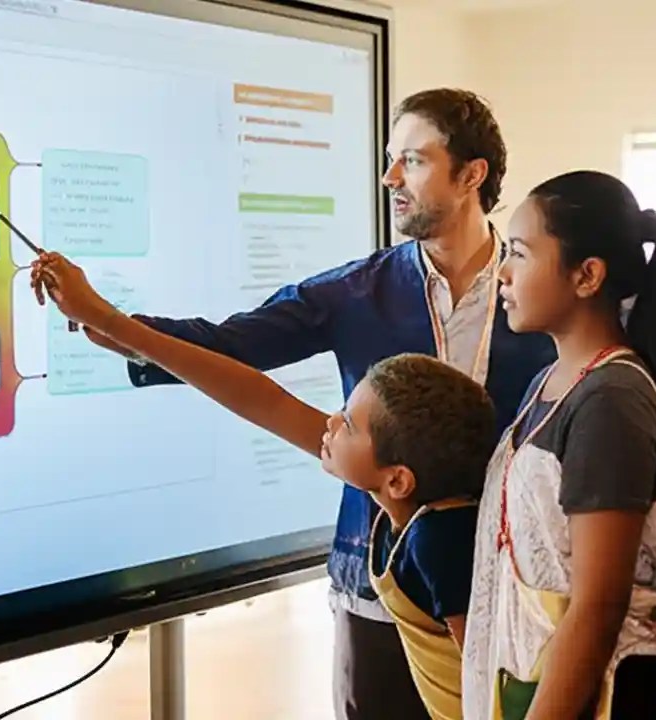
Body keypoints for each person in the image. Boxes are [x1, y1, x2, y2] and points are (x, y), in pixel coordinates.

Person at [78, 88, 556, 718]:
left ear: (471, 175)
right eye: (391, 159)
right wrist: (113, 325)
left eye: (411, 160)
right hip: (376, 587)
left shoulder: (537, 291)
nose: (390, 178)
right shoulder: (355, 290)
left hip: (512, 585)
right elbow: (232, 344)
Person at [31, 251, 495, 719]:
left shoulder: (440, 543)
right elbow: (259, 395)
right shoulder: (405, 510)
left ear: (396, 479)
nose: (330, 423)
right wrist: (108, 320)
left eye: (349, 424)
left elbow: (484, 675)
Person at [459, 171, 656, 719]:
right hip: (545, 676)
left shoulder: (611, 398)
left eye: (518, 253)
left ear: (587, 275)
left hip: (609, 695)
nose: (503, 275)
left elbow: (596, 607)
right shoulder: (555, 378)